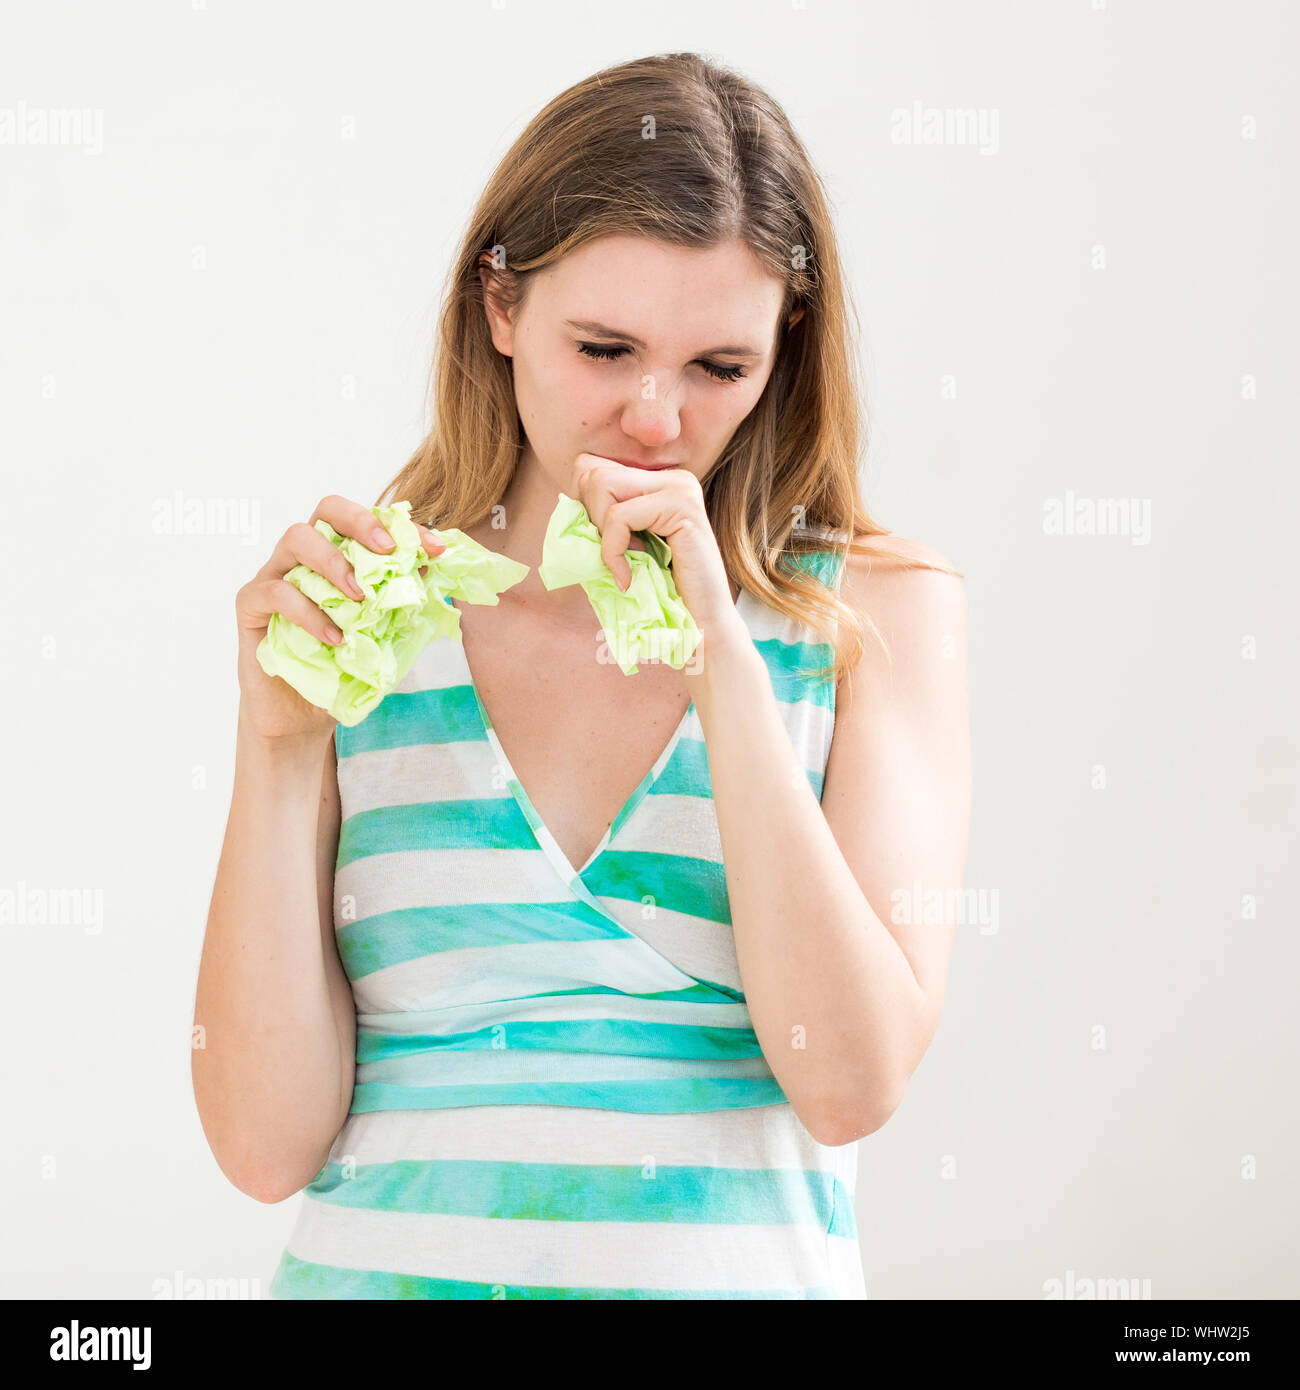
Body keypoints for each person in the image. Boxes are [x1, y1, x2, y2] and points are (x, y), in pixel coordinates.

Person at [193, 50, 971, 1300]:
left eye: (720, 366)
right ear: (497, 308)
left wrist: (720, 652)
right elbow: (260, 1144)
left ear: (785, 349)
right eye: (604, 348)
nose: (657, 419)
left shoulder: (872, 615)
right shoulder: (371, 613)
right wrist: (278, 744)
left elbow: (849, 1081)